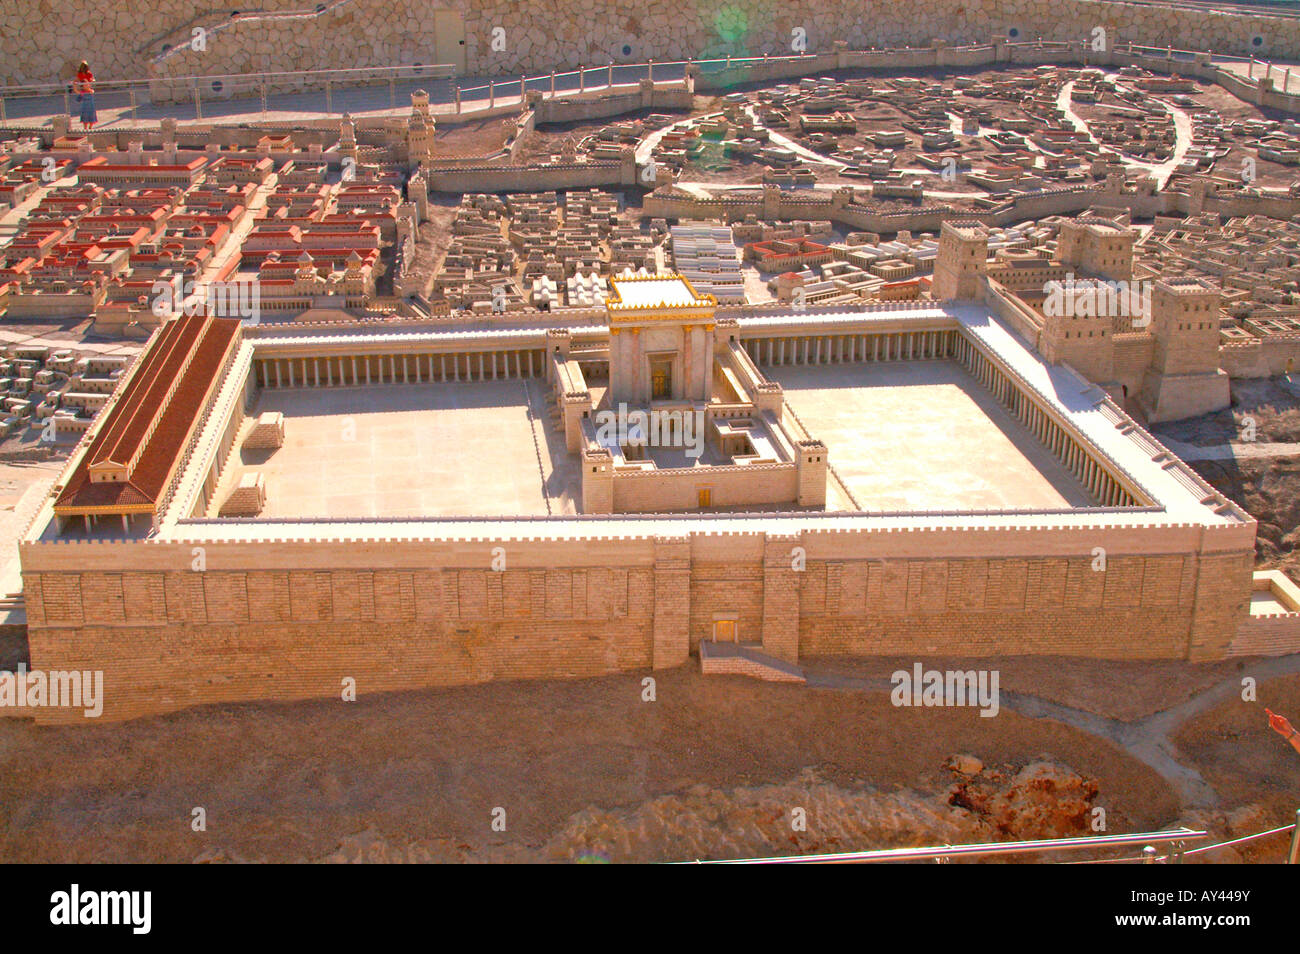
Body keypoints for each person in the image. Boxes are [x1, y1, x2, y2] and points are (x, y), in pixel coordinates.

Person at [73, 61, 97, 132]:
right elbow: (76, 81)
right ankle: (86, 128)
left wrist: (90, 83)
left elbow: (92, 79)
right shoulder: (81, 74)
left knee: (90, 115)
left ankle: (89, 127)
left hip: (86, 90)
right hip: (84, 90)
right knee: (86, 115)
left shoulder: (88, 74)